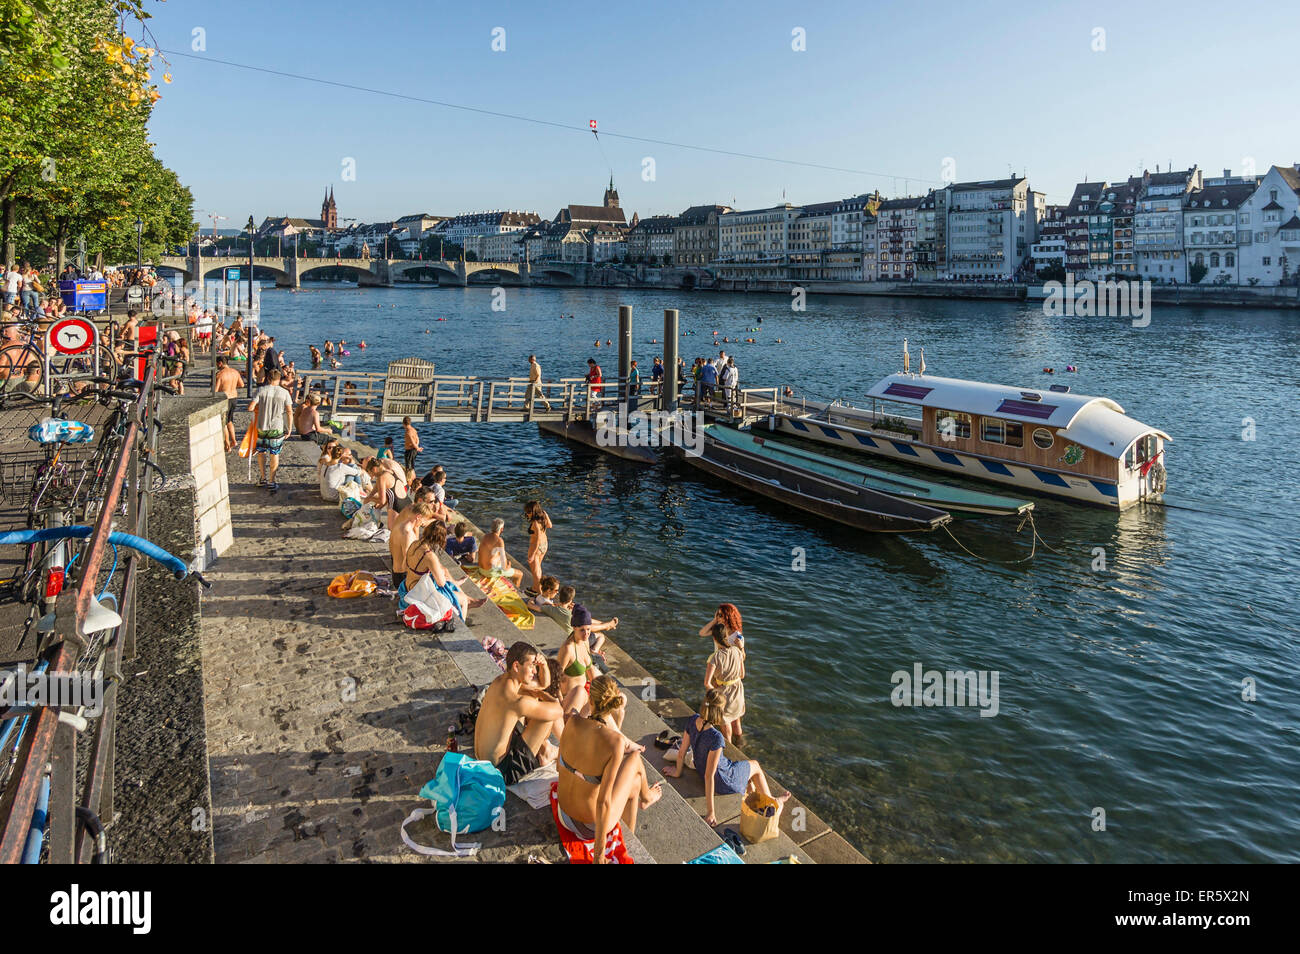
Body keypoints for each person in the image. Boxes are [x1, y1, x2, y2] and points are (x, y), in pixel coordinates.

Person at [555, 675, 663, 861]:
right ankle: (646, 797)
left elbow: (559, 767)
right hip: (586, 827)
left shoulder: (572, 721)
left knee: (634, 782)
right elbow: (603, 803)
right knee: (635, 759)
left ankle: (638, 811)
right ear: (613, 705)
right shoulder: (616, 742)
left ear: (590, 700)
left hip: (563, 813)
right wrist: (598, 856)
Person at [662, 688, 788, 827]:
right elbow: (709, 777)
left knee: (747, 777)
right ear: (720, 712)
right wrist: (711, 812)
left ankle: (755, 796)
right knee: (756, 766)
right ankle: (773, 804)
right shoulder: (716, 737)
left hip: (703, 770)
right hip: (726, 780)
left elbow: (681, 753)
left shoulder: (693, 720)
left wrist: (677, 772)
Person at [474, 641, 566, 785]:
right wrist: (546, 696)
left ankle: (544, 748)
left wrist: (544, 666)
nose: (535, 672)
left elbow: (543, 684)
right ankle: (547, 752)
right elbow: (558, 711)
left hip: (482, 759)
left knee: (532, 696)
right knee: (546, 716)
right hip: (502, 771)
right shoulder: (516, 701)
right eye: (531, 667)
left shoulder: (501, 681)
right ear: (517, 666)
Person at [248, 368, 293, 490]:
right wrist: (289, 428)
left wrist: (260, 408)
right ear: (279, 379)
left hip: (262, 427)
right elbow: (289, 412)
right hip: (277, 428)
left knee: (261, 452)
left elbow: (251, 408)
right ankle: (272, 481)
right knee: (275, 454)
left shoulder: (261, 390)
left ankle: (262, 478)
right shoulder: (284, 393)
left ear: (268, 378)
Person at [704, 622, 746, 743]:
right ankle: (740, 744)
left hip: (724, 693)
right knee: (736, 718)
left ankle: (730, 749)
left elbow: (707, 683)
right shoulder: (737, 651)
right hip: (738, 690)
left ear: (714, 638)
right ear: (726, 635)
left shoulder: (714, 657)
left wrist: (714, 696)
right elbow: (742, 675)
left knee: (725, 722)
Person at [556, 604, 599, 710]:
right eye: (582, 630)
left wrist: (601, 688)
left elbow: (589, 669)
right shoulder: (568, 649)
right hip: (570, 698)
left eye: (588, 629)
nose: (586, 633)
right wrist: (560, 701)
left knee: (618, 701)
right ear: (574, 628)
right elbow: (555, 677)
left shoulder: (585, 642)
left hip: (585, 691)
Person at [476, 517, 525, 588]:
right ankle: (516, 592)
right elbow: (504, 564)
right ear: (502, 529)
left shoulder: (485, 536)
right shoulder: (499, 541)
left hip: (481, 569)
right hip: (490, 572)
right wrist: (508, 566)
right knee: (520, 574)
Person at [214, 356, 245, 452]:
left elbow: (215, 390)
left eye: (217, 364)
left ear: (220, 363)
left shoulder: (220, 374)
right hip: (234, 398)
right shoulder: (235, 372)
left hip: (225, 398)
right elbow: (242, 385)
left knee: (223, 423)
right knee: (229, 421)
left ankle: (227, 444)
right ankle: (234, 441)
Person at [523, 500, 551, 597]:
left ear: (534, 511)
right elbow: (550, 525)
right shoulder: (542, 517)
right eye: (526, 512)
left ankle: (540, 594)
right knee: (538, 568)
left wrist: (532, 554)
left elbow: (537, 538)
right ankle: (535, 588)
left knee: (536, 572)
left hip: (537, 547)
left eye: (529, 512)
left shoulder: (535, 523)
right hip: (545, 545)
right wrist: (546, 515)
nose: (527, 514)